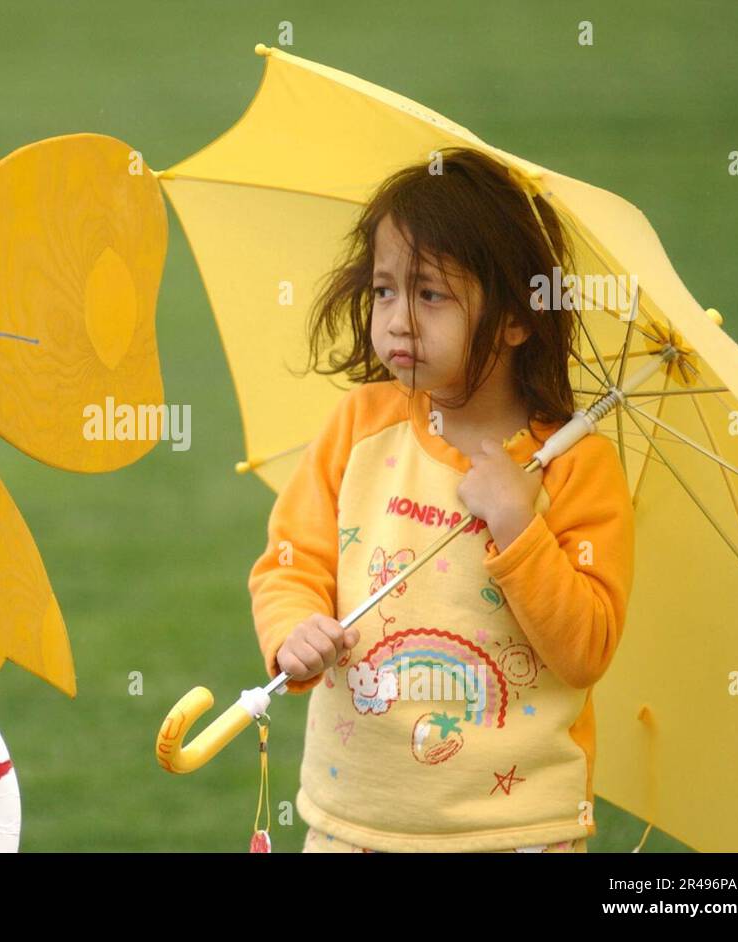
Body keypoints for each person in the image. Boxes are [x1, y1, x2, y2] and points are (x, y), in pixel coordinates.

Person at [248, 147, 635, 853]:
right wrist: (293, 629)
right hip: (356, 819)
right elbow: (289, 561)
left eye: (430, 294)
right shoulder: (361, 428)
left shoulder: (574, 466)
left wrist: (519, 525)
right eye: (385, 290)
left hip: (518, 829)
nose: (397, 319)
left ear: (518, 318)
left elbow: (585, 648)